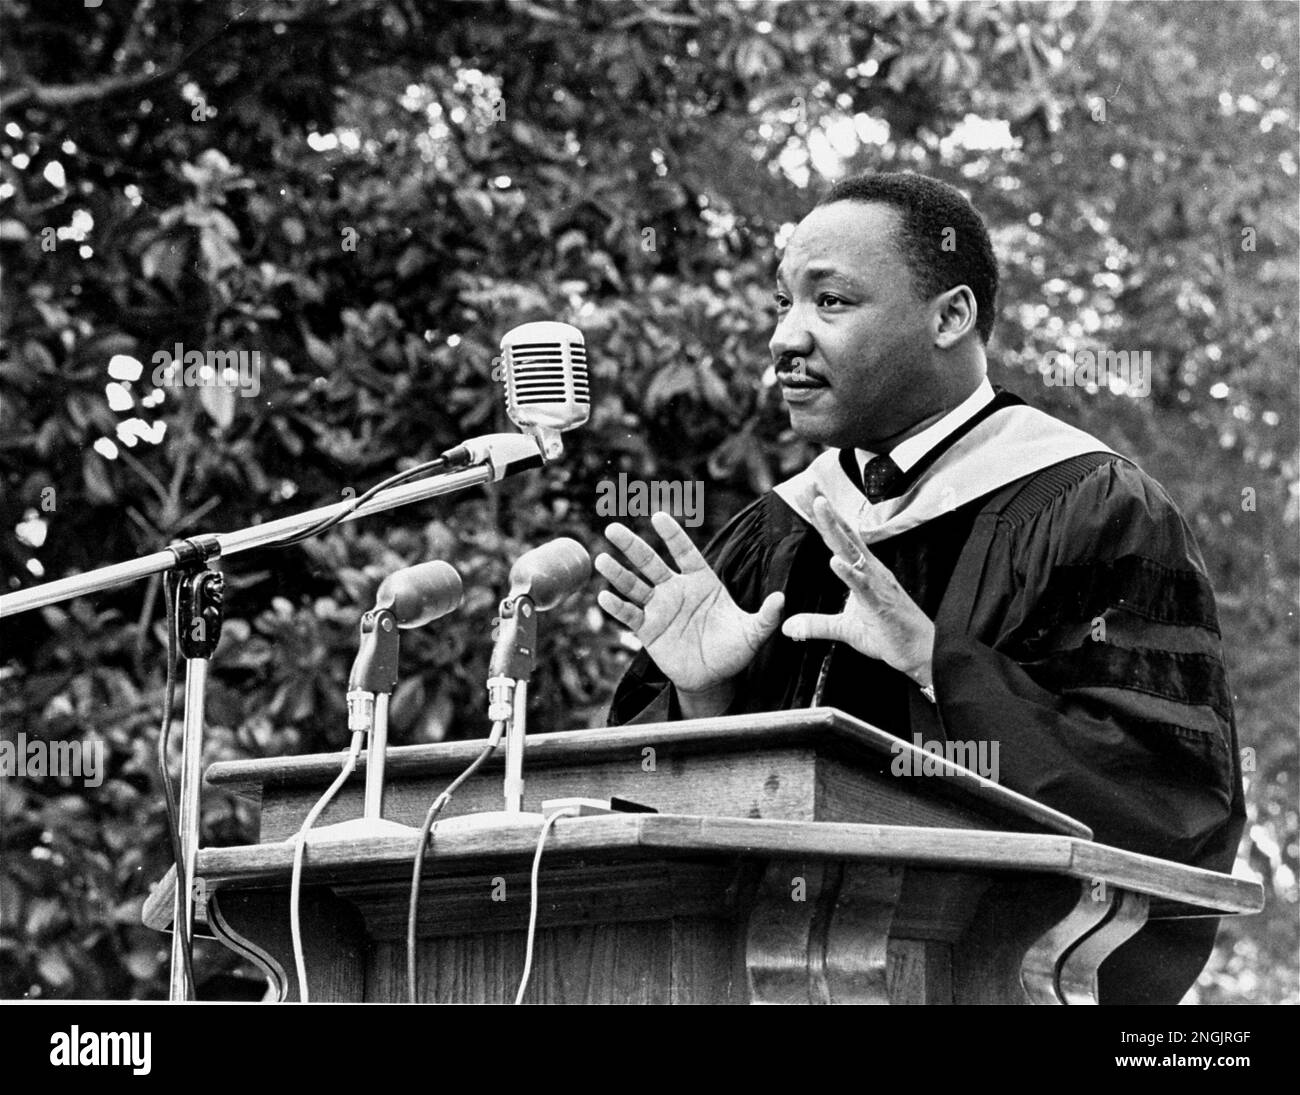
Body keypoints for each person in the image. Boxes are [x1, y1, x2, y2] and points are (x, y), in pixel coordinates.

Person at [594, 171, 1246, 1005]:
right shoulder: (777, 531)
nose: (785, 338)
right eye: (782, 302)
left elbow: (1169, 804)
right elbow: (647, 836)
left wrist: (946, 668)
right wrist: (705, 700)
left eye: (830, 303)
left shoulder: (1093, 509)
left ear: (950, 316)